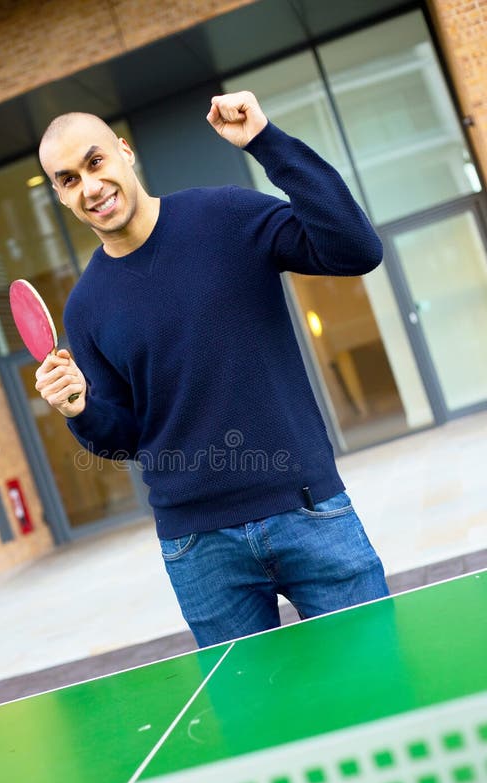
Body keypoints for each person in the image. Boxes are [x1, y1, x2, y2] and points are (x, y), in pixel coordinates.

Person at [36, 90, 389, 648]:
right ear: (60, 195)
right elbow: (126, 436)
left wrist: (266, 142)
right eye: (69, 179)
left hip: (309, 512)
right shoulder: (85, 307)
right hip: (199, 551)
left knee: (379, 687)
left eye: (95, 161)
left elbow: (356, 249)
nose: (91, 186)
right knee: (256, 727)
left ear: (124, 152)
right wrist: (80, 409)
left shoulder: (226, 215)